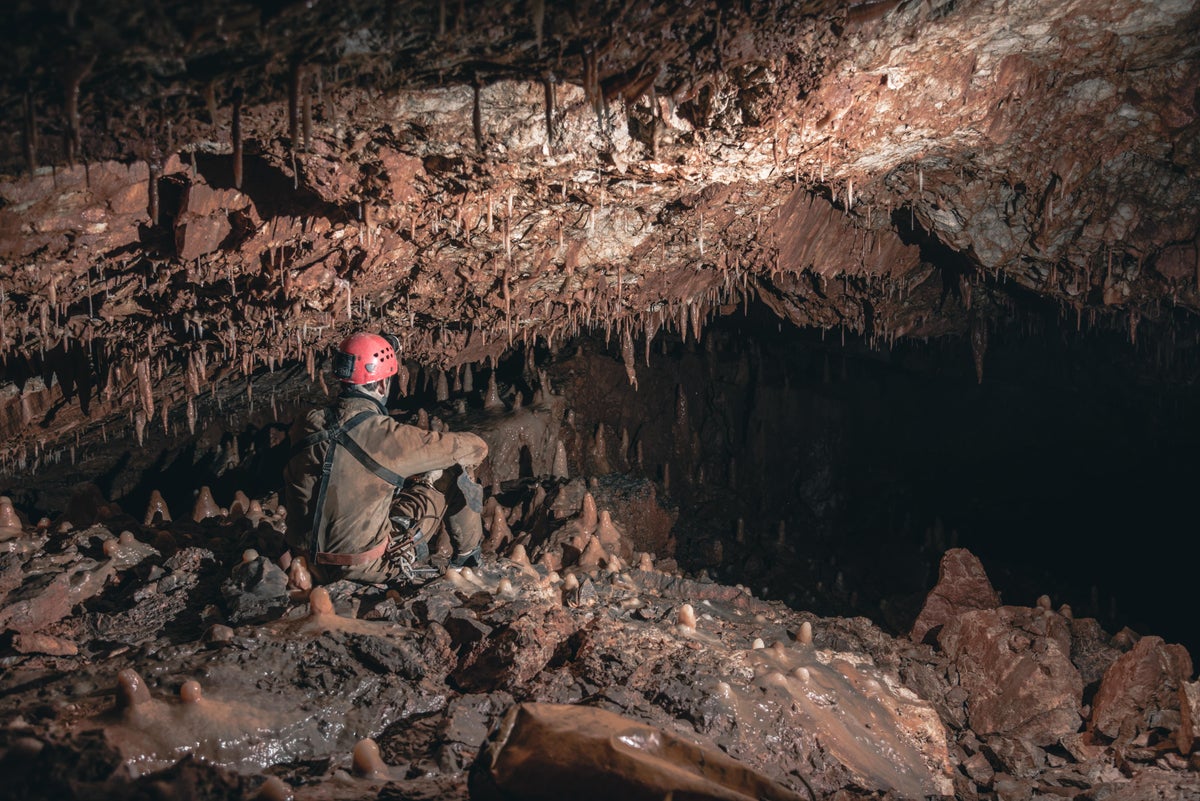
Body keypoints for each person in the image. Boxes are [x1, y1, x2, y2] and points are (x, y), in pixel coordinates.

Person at [283, 332, 489, 585]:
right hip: (364, 567)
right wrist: (425, 466)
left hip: (303, 563)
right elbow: (476, 448)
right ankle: (468, 562)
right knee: (453, 471)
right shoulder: (387, 436)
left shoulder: (306, 422)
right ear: (382, 385)